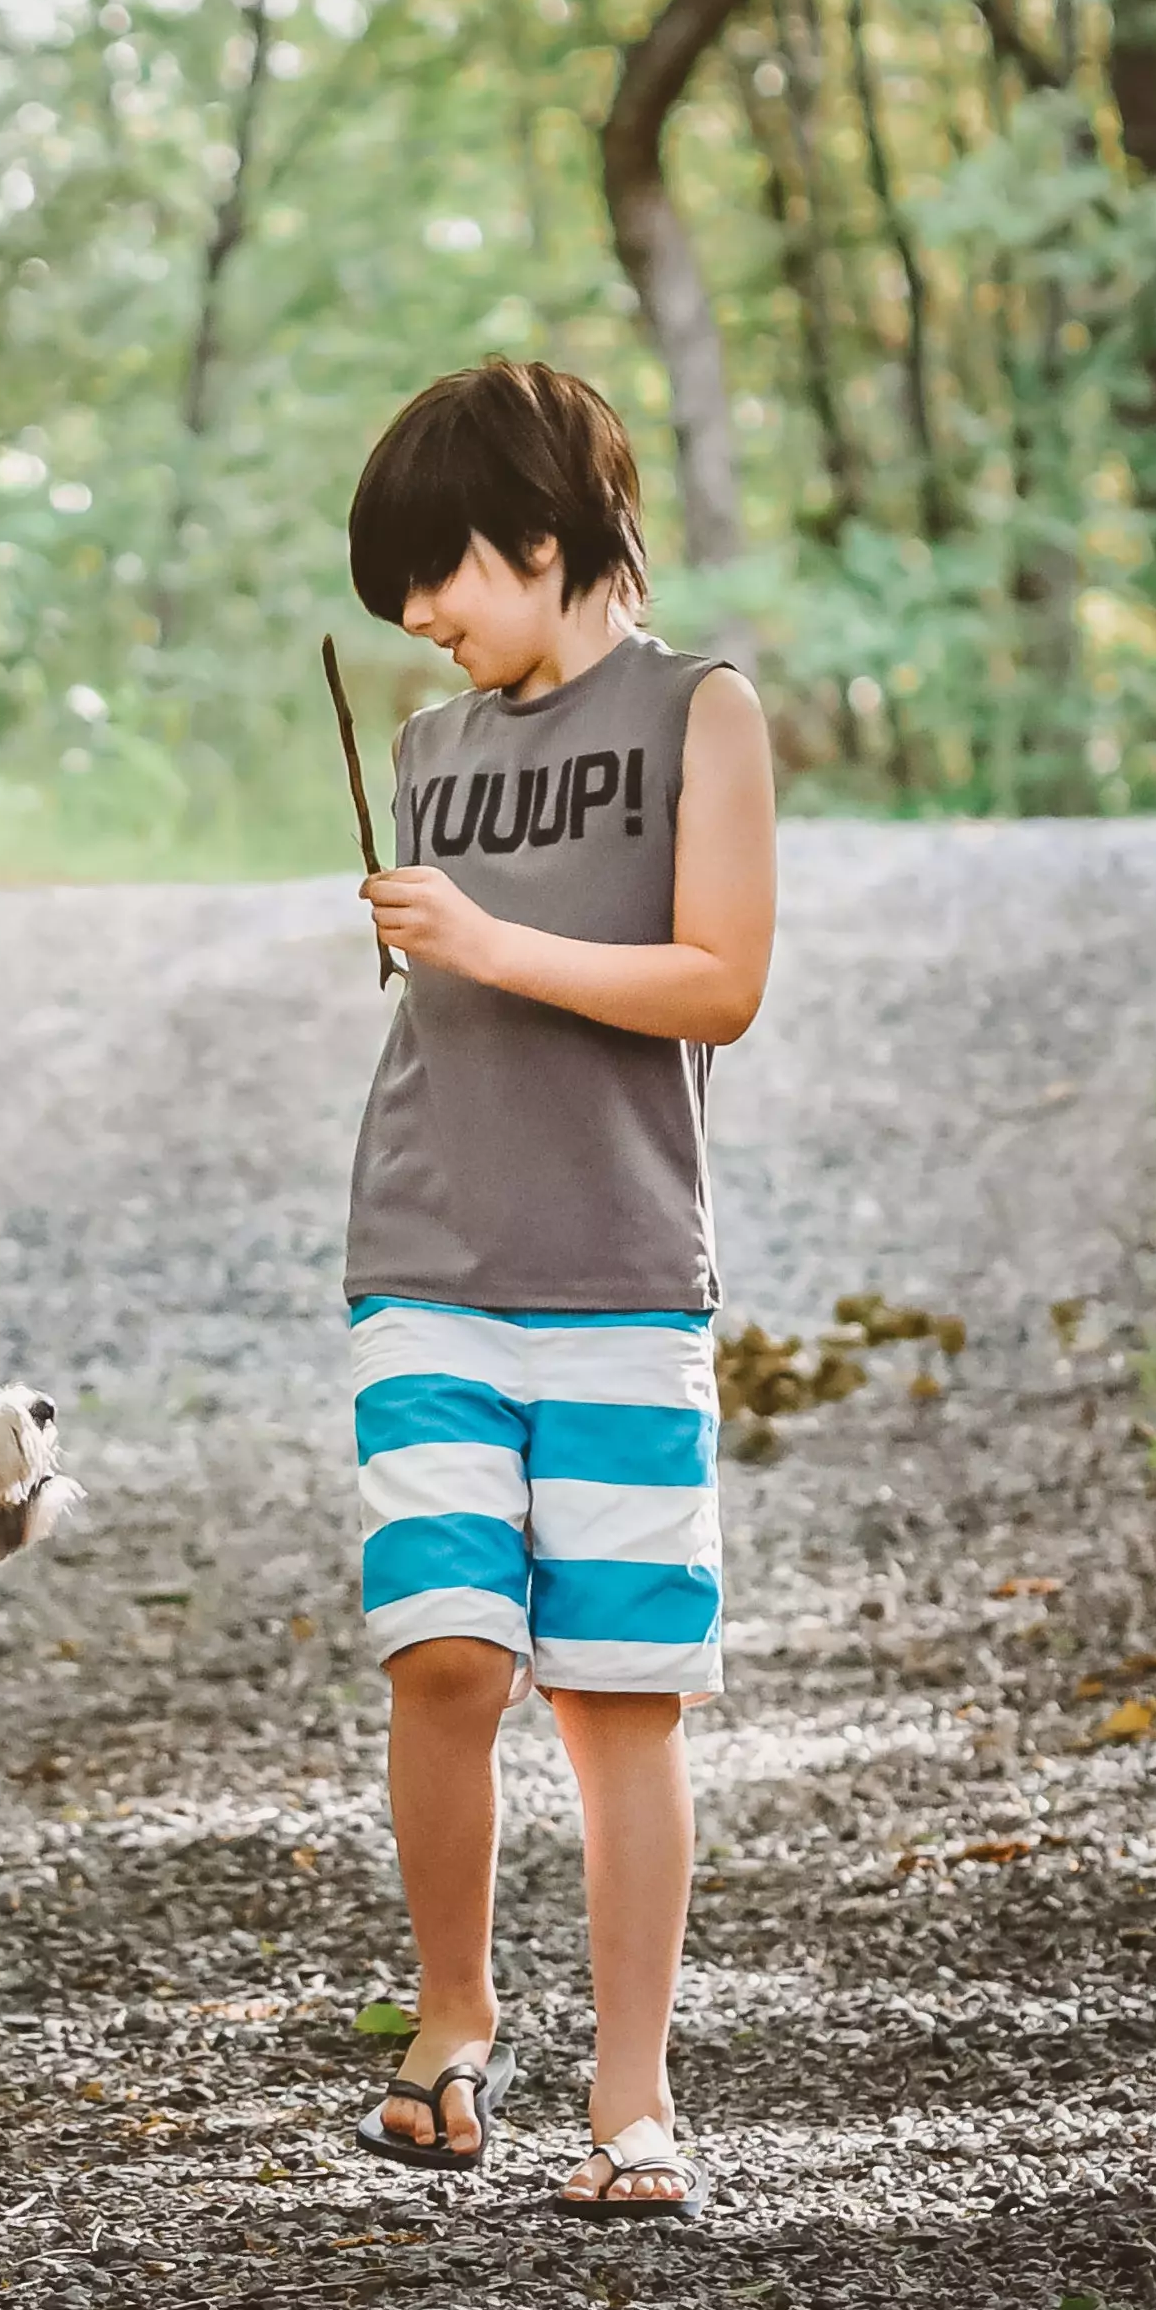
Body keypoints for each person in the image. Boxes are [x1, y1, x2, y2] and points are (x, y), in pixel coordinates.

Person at [337, 361, 776, 2213]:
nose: (424, 623)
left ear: (547, 532)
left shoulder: (703, 711)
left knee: (617, 1697)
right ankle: (450, 2032)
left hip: (619, 1278)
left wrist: (495, 941)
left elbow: (718, 983)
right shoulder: (436, 749)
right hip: (425, 1260)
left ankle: (633, 2099)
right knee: (442, 1652)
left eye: (442, 577)